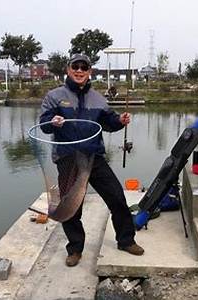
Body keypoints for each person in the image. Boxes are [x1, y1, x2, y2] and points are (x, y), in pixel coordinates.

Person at [39, 53, 144, 267]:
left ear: (89, 72)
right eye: (75, 67)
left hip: (94, 157)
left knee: (117, 197)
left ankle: (126, 241)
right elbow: (43, 124)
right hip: (68, 160)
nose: (79, 70)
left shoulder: (99, 98)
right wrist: (54, 121)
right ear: (68, 70)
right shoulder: (54, 96)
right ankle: (75, 249)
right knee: (71, 208)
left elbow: (109, 122)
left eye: (83, 67)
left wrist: (120, 121)